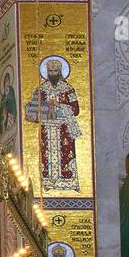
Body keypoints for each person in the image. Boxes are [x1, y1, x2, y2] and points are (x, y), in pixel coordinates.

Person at [25, 58, 82, 191]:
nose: (53, 73)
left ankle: (69, 183)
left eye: (55, 71)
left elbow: (75, 109)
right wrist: (32, 109)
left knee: (66, 154)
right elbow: (34, 106)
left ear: (60, 72)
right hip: (47, 128)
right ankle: (48, 183)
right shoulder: (42, 89)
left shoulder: (68, 89)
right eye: (50, 71)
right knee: (47, 155)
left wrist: (59, 104)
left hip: (64, 128)